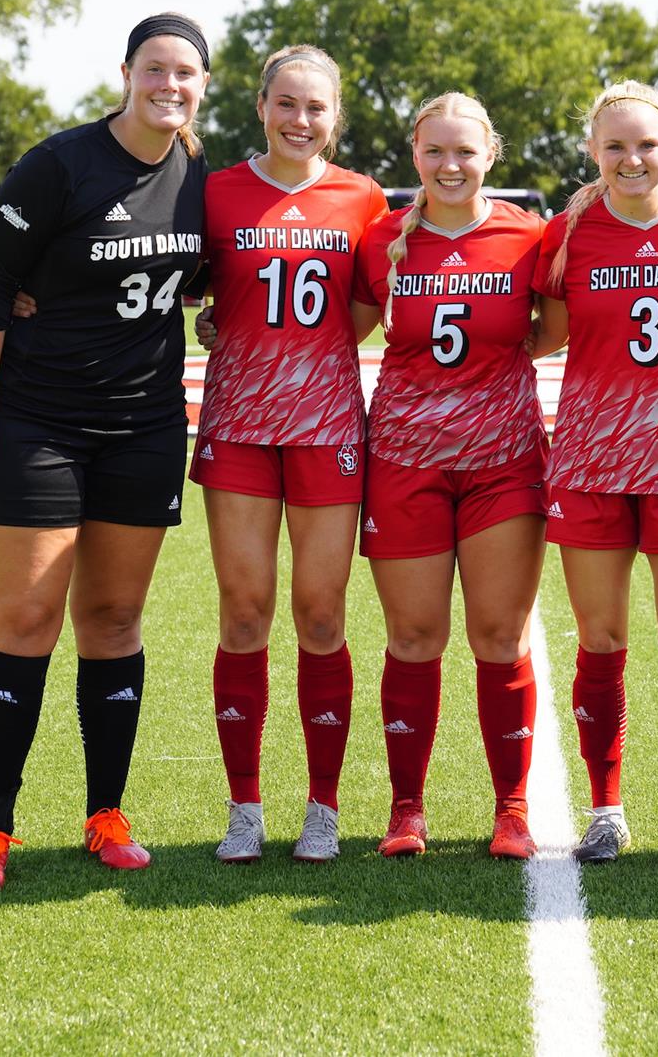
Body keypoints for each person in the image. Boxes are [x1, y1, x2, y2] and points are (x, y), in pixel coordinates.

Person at [0, 13, 211, 891]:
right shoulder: (59, 164)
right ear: (127, 72)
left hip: (143, 426)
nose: (169, 85)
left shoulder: (199, 175)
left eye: (186, 73)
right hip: (37, 423)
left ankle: (106, 813)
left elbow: (203, 277)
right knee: (25, 619)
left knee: (113, 621)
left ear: (202, 86)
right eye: (155, 69)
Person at [531, 80, 658, 869]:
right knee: (601, 639)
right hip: (589, 459)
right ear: (593, 152)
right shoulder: (570, 233)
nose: (631, 159)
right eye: (614, 146)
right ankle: (607, 808)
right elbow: (541, 337)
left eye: (646, 145)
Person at [193, 45, 389, 863]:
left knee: (320, 613)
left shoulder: (364, 198)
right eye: (285, 104)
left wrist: (304, 362)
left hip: (328, 428)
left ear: (334, 116)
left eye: (315, 108)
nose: (299, 120)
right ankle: (245, 806)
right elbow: (190, 281)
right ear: (261, 106)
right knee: (244, 613)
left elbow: (373, 302)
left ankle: (323, 805)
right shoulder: (215, 191)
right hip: (237, 423)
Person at [352, 92, 549, 861]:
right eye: (436, 151)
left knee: (499, 635)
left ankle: (513, 808)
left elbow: (550, 332)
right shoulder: (379, 242)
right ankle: (407, 810)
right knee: (414, 635)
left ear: (490, 155)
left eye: (465, 151)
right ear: (415, 154)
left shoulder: (528, 236)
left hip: (503, 463)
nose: (451, 165)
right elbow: (344, 328)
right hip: (404, 460)